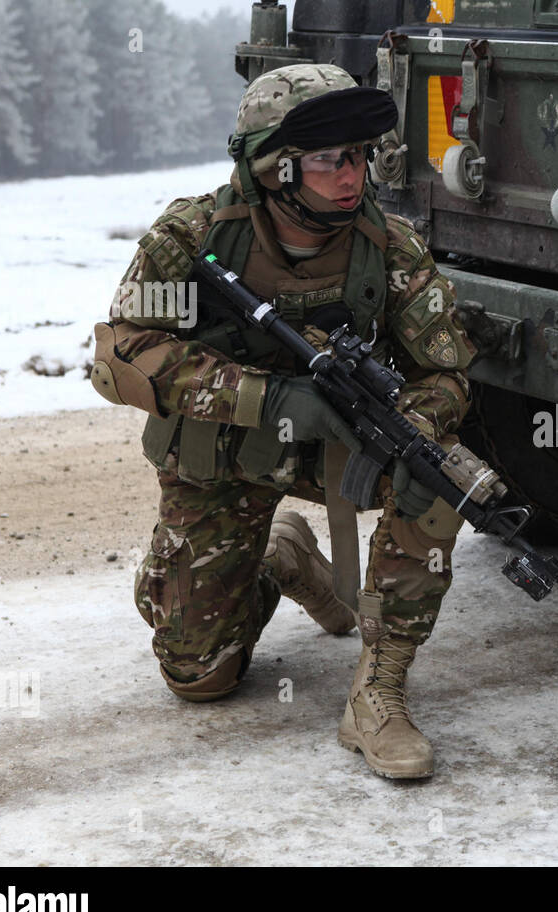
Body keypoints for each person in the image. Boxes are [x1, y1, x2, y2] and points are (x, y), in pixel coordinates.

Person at [89, 63, 478, 779]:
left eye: (359, 156)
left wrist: (414, 421)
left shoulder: (387, 248)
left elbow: (447, 373)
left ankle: (378, 695)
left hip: (336, 448)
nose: (350, 175)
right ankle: (282, 557)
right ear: (276, 165)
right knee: (198, 675)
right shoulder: (194, 236)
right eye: (331, 159)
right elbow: (119, 357)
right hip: (227, 451)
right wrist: (264, 398)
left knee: (438, 472)